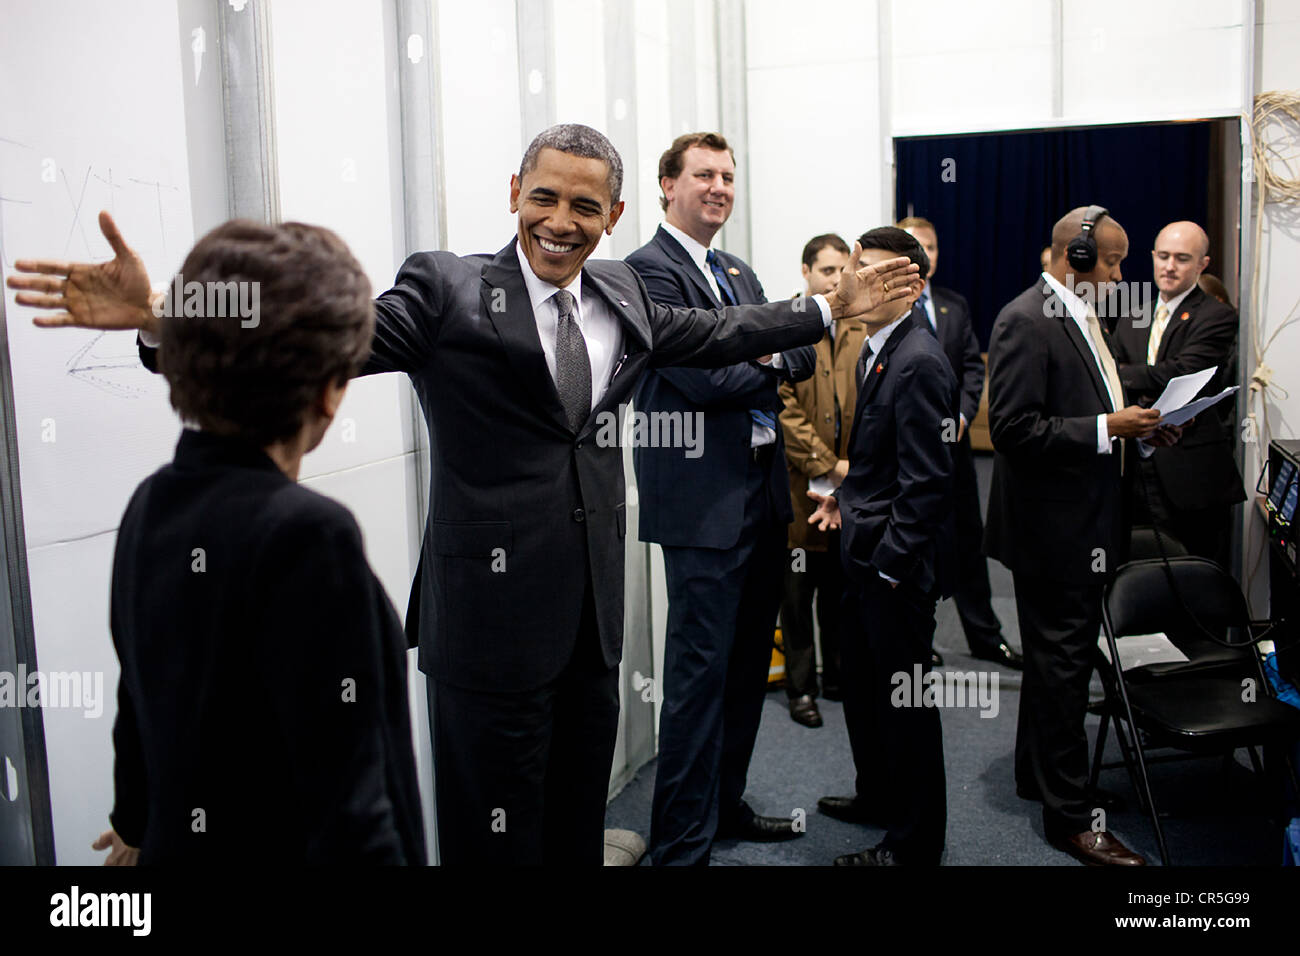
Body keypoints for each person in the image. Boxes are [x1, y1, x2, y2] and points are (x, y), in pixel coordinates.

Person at [11, 124, 920, 866]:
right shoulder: (445, 287)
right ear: (514, 189)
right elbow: (332, 334)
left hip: (591, 626)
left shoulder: (625, 292)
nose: (561, 221)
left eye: (584, 206)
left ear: (614, 216)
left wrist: (825, 311)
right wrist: (168, 314)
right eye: (545, 197)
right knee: (491, 840)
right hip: (485, 628)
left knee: (569, 831)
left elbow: (719, 331)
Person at [16, 218, 426, 864]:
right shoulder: (310, 536)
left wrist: (137, 821)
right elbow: (352, 805)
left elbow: (139, 703)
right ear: (329, 395)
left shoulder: (151, 503)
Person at [626, 131, 816, 865]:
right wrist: (764, 358)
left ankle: (723, 806)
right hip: (703, 510)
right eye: (704, 174)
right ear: (667, 185)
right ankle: (680, 848)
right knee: (697, 685)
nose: (719, 187)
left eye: (729, 176)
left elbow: (800, 348)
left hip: (763, 499)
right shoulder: (646, 272)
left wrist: (757, 352)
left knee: (745, 677)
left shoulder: (736, 270)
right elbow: (701, 381)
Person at [984, 205, 1179, 867]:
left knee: (1051, 663)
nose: (1123, 273)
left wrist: (1139, 431)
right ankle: (1072, 818)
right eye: (1116, 261)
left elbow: (1087, 408)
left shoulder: (1084, 313)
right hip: (1051, 531)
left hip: (1079, 522)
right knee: (1063, 668)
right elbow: (1012, 430)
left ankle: (1037, 778)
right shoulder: (1025, 319)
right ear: (1081, 257)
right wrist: (1107, 429)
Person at [807, 227, 957, 866]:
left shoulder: (919, 359)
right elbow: (884, 459)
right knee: (867, 699)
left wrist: (891, 567)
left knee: (906, 712)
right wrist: (848, 496)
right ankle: (878, 798)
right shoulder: (873, 344)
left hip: (891, 571)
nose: (853, 281)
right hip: (862, 556)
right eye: (853, 269)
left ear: (911, 285)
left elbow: (928, 483)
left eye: (871, 272)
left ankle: (913, 847)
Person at [898, 216, 1021, 669]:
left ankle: (986, 636)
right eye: (913, 246)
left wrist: (965, 415)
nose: (923, 254)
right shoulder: (887, 308)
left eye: (929, 246)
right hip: (908, 455)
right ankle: (919, 638)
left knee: (969, 543)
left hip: (956, 453)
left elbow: (973, 366)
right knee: (917, 547)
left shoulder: (954, 305)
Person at [1109, 221, 1245, 568]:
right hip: (1134, 465)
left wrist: (1121, 374)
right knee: (1136, 569)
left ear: (1202, 264)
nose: (1169, 266)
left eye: (1182, 259)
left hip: (1189, 472)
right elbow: (1124, 373)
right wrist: (1124, 375)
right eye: (1164, 256)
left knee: (1194, 574)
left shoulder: (1217, 315)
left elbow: (1183, 373)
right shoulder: (1132, 311)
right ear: (1153, 257)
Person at [778, 233, 860, 725]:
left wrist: (850, 467)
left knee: (839, 593)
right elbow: (782, 403)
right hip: (797, 489)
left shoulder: (857, 326)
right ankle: (800, 688)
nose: (835, 279)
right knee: (796, 595)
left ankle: (838, 678)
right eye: (826, 271)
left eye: (840, 270)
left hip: (850, 487)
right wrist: (825, 462)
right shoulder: (788, 324)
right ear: (806, 271)